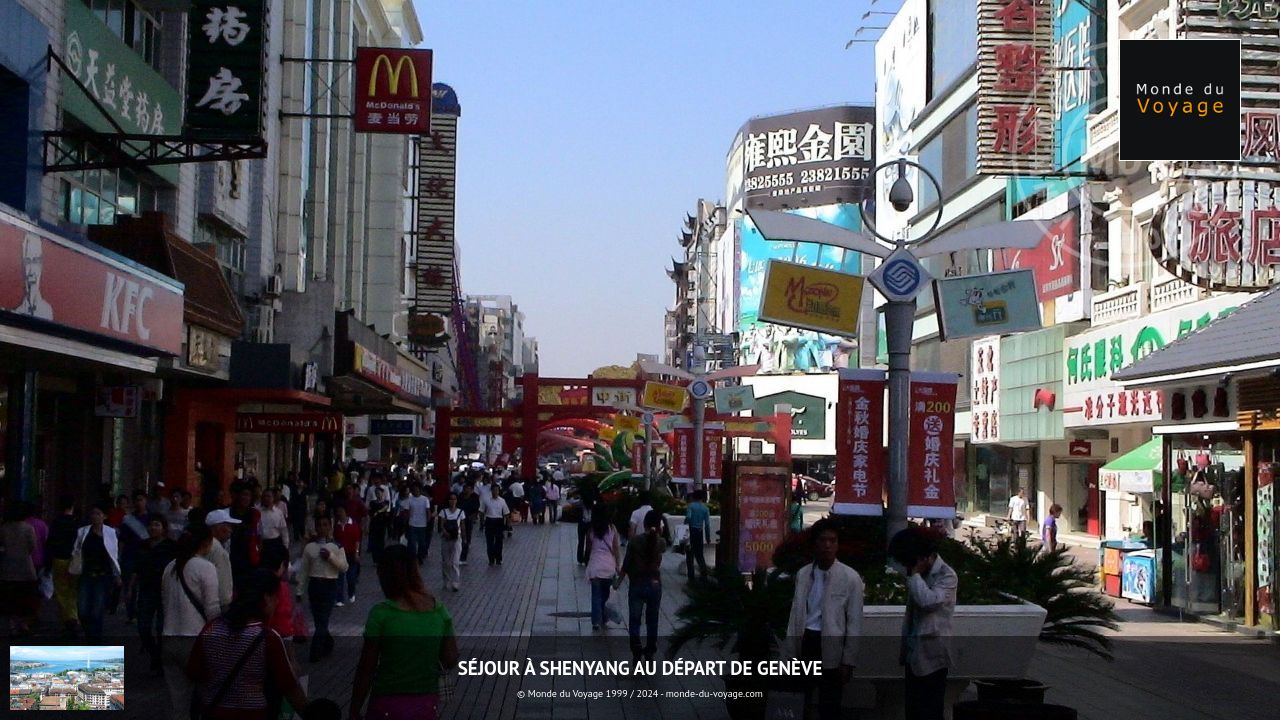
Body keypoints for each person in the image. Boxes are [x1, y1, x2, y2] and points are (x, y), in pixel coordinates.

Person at [349, 544, 459, 720]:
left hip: (386, 704)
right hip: (425, 704)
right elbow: (451, 658)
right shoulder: (439, 611)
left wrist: (354, 710)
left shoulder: (381, 614)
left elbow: (366, 668)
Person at [187, 569, 309, 720]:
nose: (277, 602)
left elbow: (194, 672)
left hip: (212, 712)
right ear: (266, 598)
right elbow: (289, 687)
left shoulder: (211, 628)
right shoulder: (268, 638)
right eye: (275, 597)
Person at [783, 518, 864, 720]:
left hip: (831, 646)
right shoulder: (803, 574)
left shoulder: (850, 578)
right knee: (801, 700)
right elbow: (796, 613)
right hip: (806, 641)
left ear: (837, 544)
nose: (827, 545)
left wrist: (848, 660)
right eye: (823, 540)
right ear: (815, 544)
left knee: (830, 704)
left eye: (832, 540)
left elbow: (854, 622)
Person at [892, 527, 958, 720]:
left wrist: (915, 575)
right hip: (913, 653)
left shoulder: (947, 575)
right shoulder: (919, 574)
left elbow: (927, 601)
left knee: (930, 709)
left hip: (933, 654)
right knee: (913, 709)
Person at [161, 527, 221, 720]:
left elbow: (164, 601)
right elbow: (212, 608)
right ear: (206, 543)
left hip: (169, 638)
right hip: (197, 639)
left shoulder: (169, 566)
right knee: (208, 694)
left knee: (177, 702)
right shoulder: (206, 567)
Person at [618, 509, 667, 662]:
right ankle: (650, 650)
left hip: (637, 583)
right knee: (652, 619)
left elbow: (626, 565)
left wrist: (617, 583)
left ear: (644, 523)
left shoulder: (634, 541)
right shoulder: (660, 542)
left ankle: (636, 648)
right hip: (654, 584)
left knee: (635, 619)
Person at [299, 513, 348, 662]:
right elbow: (304, 570)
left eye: (325, 525)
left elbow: (344, 567)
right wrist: (300, 590)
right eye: (319, 525)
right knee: (319, 619)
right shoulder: (310, 547)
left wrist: (331, 557)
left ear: (330, 527)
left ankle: (315, 650)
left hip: (329, 585)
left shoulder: (337, 546)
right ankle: (328, 642)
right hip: (314, 586)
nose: (322, 528)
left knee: (323, 619)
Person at [72, 503, 122, 642]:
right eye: (93, 513)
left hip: (103, 574)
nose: (95, 517)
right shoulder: (83, 531)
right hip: (86, 573)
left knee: (97, 609)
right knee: (82, 609)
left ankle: (95, 638)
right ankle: (90, 633)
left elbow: (114, 554)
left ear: (104, 516)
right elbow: (76, 550)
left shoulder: (110, 533)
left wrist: (116, 574)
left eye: (98, 514)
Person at [134, 514, 177, 673]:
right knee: (143, 627)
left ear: (164, 528)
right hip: (146, 589)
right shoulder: (142, 545)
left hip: (164, 590)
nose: (153, 528)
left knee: (161, 628)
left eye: (157, 525)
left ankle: (159, 659)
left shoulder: (171, 546)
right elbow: (136, 568)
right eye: (151, 525)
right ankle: (154, 654)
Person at [1, 503, 39, 635]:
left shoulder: (4, 528)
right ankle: (23, 624)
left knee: (10, 598)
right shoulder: (28, 528)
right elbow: (33, 546)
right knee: (26, 597)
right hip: (25, 567)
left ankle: (12, 624)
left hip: (8, 567)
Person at [47, 494, 81, 635]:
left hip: (59, 559)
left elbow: (51, 542)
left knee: (61, 590)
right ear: (73, 505)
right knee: (74, 589)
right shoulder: (78, 522)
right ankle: (74, 616)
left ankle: (68, 618)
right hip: (74, 560)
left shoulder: (56, 522)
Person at [586, 508, 623, 631]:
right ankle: (604, 618)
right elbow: (616, 548)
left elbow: (589, 549)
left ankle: (596, 621)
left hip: (595, 567)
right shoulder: (612, 529)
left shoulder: (591, 530)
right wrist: (618, 565)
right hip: (608, 567)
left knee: (596, 596)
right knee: (606, 595)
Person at [202, 509, 240, 612]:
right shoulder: (218, 551)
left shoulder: (202, 544)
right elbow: (224, 592)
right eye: (228, 525)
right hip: (215, 607)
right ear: (217, 527)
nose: (230, 530)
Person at [334, 504, 362, 605]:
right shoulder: (336, 525)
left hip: (351, 553)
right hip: (340, 554)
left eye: (341, 511)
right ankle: (339, 598)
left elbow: (357, 540)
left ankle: (351, 593)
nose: (340, 513)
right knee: (340, 577)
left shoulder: (353, 524)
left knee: (351, 577)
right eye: (338, 511)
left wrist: (357, 552)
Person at [438, 493, 465, 592]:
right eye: (450, 499)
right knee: (445, 562)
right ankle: (446, 581)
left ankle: (455, 582)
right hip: (445, 538)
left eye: (454, 499)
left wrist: (464, 537)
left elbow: (462, 525)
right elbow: (441, 525)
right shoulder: (443, 512)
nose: (452, 501)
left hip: (456, 538)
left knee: (455, 561)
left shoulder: (461, 512)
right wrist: (445, 533)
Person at [684, 490, 712, 581]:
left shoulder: (690, 506)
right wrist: (708, 537)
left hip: (691, 531)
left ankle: (691, 576)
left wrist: (684, 526)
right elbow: (707, 524)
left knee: (690, 554)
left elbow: (688, 517)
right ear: (702, 498)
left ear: (694, 497)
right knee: (700, 554)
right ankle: (704, 574)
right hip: (699, 532)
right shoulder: (705, 509)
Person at [482, 482, 511, 566]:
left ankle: (498, 558)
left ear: (499, 491)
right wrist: (482, 522)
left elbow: (506, 513)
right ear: (491, 491)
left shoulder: (502, 501)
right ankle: (491, 559)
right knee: (489, 541)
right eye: (494, 490)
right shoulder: (486, 500)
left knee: (499, 541)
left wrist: (508, 524)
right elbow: (481, 511)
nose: (495, 492)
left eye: (497, 490)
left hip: (499, 521)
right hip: (489, 521)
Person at [404, 484, 434, 564]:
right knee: (412, 543)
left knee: (422, 543)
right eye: (414, 490)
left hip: (422, 524)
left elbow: (428, 511)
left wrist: (428, 520)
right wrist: (406, 522)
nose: (415, 491)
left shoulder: (425, 499)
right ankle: (413, 558)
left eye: (417, 489)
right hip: (412, 524)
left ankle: (420, 557)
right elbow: (407, 512)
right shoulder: (409, 500)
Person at [258, 488, 289, 557]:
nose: (266, 498)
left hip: (274, 543)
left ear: (273, 498)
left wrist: (285, 547)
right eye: (264, 496)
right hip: (260, 543)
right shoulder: (257, 511)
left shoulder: (278, 513)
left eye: (268, 496)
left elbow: (284, 531)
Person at [367, 485, 393, 564]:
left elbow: (385, 508)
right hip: (374, 524)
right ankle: (375, 559)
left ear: (382, 493)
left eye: (379, 493)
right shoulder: (372, 503)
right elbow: (370, 513)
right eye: (376, 493)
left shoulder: (386, 502)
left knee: (381, 542)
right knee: (374, 542)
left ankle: (381, 557)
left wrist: (378, 512)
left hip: (382, 524)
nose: (378, 494)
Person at [459, 483, 481, 564]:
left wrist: (473, 516)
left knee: (466, 537)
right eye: (466, 488)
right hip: (459, 519)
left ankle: (463, 557)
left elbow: (476, 508)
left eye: (469, 489)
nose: (467, 490)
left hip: (468, 520)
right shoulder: (460, 497)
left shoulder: (474, 497)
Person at [577, 497, 595, 565]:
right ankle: (583, 558)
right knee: (585, 542)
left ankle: (583, 558)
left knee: (584, 542)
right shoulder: (583, 503)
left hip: (587, 524)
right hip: (585, 524)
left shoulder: (590, 505)